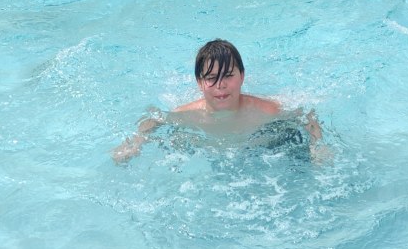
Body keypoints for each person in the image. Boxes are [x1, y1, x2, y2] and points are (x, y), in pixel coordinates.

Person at [112, 38, 327, 163]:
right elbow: (152, 119)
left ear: (242, 76)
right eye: (212, 78)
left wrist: (318, 146)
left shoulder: (265, 110)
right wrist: (134, 144)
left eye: (228, 76)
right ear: (199, 82)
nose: (221, 86)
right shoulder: (188, 114)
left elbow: (306, 111)